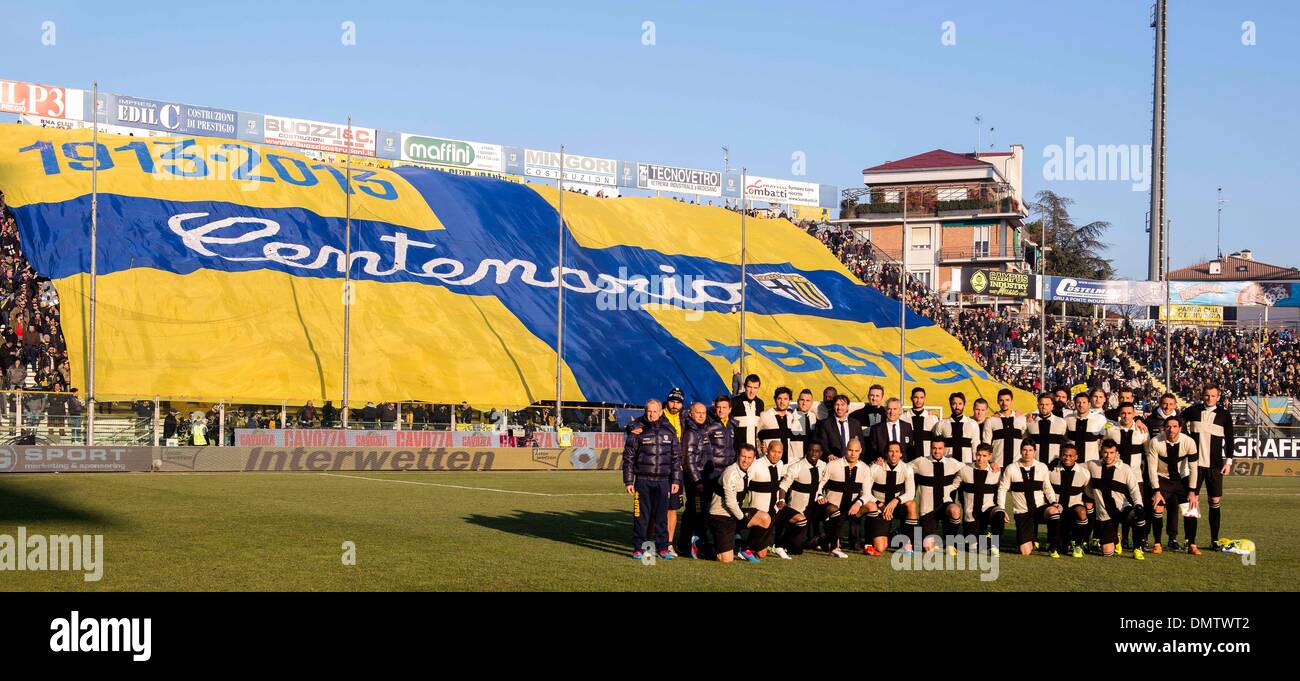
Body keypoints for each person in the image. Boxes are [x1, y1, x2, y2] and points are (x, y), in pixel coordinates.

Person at [622, 399, 681, 561]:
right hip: (643, 481)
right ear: (645, 411)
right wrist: (628, 481)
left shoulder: (669, 430)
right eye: (649, 411)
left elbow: (676, 458)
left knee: (662, 517)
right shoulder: (637, 430)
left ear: (661, 412)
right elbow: (628, 458)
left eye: (655, 411)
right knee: (641, 517)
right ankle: (639, 548)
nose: (652, 414)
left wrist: (675, 480)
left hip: (664, 482)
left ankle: (662, 548)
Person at [1180, 385, 1233, 547]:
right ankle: (1191, 541)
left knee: (1214, 500)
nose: (1209, 398)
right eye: (1207, 395)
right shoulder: (1192, 411)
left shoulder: (1224, 415)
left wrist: (1228, 462)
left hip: (1215, 465)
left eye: (1213, 395)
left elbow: (1230, 439)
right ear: (1202, 396)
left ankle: (1214, 540)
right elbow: (1176, 422)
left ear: (1218, 397)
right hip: (1194, 465)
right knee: (1192, 501)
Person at [1145, 416, 1200, 555]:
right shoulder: (1155, 442)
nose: (1171, 429)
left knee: (1191, 509)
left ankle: (1191, 544)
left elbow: (1194, 468)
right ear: (1164, 428)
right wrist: (1156, 490)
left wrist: (1193, 491)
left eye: (1175, 426)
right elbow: (1152, 468)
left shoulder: (1189, 442)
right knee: (1157, 507)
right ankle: (1157, 543)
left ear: (1180, 428)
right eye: (1168, 426)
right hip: (1162, 479)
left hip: (1182, 480)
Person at [998, 441, 1062, 557]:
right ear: (1020, 451)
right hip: (1022, 513)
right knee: (1025, 552)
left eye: (1030, 450)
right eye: (1025, 450)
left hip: (1039, 510)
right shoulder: (1011, 468)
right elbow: (1002, 489)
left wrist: (1053, 502)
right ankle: (1031, 539)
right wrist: (1002, 509)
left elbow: (1047, 488)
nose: (1027, 453)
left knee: (1054, 511)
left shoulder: (1042, 467)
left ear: (1035, 452)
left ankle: (1053, 546)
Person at [708, 444, 767, 564]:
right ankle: (701, 545)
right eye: (743, 456)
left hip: (735, 514)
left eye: (749, 457)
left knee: (764, 518)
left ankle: (746, 549)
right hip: (720, 516)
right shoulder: (730, 473)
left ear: (754, 459)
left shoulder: (749, 469)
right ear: (738, 456)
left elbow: (764, 464)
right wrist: (742, 519)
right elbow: (730, 502)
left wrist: (764, 453)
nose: (746, 460)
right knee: (726, 560)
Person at [1087, 441, 1146, 560]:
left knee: (1139, 515)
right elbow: (1076, 467)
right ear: (1101, 452)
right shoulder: (1092, 465)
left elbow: (1134, 489)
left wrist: (1138, 505)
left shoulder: (1125, 469)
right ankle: (1115, 539)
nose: (1108, 456)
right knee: (1107, 553)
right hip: (1104, 515)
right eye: (1105, 452)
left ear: (1116, 453)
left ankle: (1137, 548)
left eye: (1111, 452)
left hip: (1121, 509)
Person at [695, 396, 737, 557]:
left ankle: (725, 542)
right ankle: (702, 541)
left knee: (727, 509)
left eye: (724, 407)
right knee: (707, 510)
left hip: (728, 477)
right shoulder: (708, 424)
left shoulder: (734, 425)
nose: (721, 410)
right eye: (718, 407)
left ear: (730, 409)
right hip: (712, 476)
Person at [1104, 402, 1149, 550]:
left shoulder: (1142, 431)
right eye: (1123, 413)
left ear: (1134, 414)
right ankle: (1118, 539)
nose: (1126, 416)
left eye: (1129, 413)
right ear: (1119, 414)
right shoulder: (1111, 431)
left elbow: (1148, 455)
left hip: (1136, 477)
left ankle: (1137, 542)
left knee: (1137, 509)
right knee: (1117, 508)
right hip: (1116, 477)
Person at [818, 437, 872, 558]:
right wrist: (820, 496)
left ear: (861, 451)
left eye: (856, 451)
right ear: (845, 449)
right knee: (831, 543)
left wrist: (858, 503)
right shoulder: (832, 465)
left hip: (851, 509)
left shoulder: (865, 468)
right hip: (831, 509)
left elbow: (867, 493)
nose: (853, 454)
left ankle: (865, 541)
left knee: (872, 506)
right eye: (850, 450)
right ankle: (830, 543)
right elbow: (820, 484)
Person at [910, 438, 964, 553]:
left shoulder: (952, 463)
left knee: (955, 510)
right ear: (930, 448)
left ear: (944, 449)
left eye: (940, 448)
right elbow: (903, 468)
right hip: (928, 511)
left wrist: (991, 465)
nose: (937, 451)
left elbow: (969, 468)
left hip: (945, 505)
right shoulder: (920, 462)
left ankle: (950, 543)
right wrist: (881, 463)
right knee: (929, 549)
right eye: (934, 448)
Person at [865, 441, 918, 555]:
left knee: (912, 505)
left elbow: (910, 493)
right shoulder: (875, 468)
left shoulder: (907, 468)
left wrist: (896, 500)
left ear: (901, 454)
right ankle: (894, 534)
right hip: (880, 507)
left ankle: (907, 545)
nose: (894, 454)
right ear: (886, 453)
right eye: (891, 451)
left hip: (896, 506)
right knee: (880, 548)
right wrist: (879, 504)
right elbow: (865, 492)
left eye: (897, 451)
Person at [777, 441, 826, 555]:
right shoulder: (796, 467)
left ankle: (823, 540)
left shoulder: (823, 466)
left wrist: (821, 495)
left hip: (814, 509)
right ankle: (781, 543)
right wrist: (781, 500)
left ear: (821, 453)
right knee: (796, 550)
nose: (814, 453)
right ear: (807, 451)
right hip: (797, 511)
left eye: (817, 451)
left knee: (832, 512)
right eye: (811, 450)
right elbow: (783, 486)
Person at [958, 444, 1005, 554]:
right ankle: (984, 540)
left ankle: (994, 544)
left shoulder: (996, 472)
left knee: (999, 514)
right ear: (975, 455)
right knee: (974, 549)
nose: (981, 458)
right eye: (979, 455)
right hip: (971, 514)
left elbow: (1002, 490)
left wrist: (1002, 508)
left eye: (984, 456)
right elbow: (955, 485)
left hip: (988, 511)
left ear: (990, 457)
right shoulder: (965, 469)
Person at [745, 441, 787, 559]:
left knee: (762, 554)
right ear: (767, 450)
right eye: (773, 451)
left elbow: (778, 485)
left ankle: (759, 546)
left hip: (772, 510)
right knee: (755, 548)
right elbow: (745, 483)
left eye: (779, 452)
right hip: (757, 511)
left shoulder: (780, 464)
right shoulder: (756, 465)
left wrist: (780, 500)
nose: (776, 455)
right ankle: (746, 548)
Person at [1049, 444, 1092, 558]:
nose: (1067, 458)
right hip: (1056, 508)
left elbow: (1088, 494)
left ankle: (1078, 544)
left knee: (1082, 512)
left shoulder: (1084, 473)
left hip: (1074, 506)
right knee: (1062, 549)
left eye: (1070, 456)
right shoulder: (1051, 470)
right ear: (1060, 455)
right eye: (1064, 455)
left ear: (1076, 457)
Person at [757, 387, 806, 464]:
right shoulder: (764, 416)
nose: (782, 402)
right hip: (768, 462)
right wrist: (760, 449)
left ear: (790, 401)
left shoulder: (793, 417)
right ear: (775, 399)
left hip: (788, 464)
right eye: (779, 398)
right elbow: (754, 436)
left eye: (785, 399)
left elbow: (798, 443)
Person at [983, 388, 1026, 471]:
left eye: (1007, 400)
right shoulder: (991, 420)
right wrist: (991, 462)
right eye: (1001, 400)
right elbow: (986, 444)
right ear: (997, 401)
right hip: (997, 466)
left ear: (1012, 401)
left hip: (1018, 467)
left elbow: (1026, 444)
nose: (1004, 403)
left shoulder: (1021, 419)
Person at [934, 391, 980, 464]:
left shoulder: (973, 424)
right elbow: (936, 445)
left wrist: (975, 461)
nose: (957, 407)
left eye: (960, 404)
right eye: (954, 404)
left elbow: (975, 444)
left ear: (964, 404)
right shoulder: (941, 424)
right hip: (947, 465)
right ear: (950, 405)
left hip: (966, 464)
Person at [813, 395, 863, 461]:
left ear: (847, 407)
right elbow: (823, 444)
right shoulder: (825, 424)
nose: (839, 408)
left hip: (852, 462)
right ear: (833, 406)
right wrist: (829, 455)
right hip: (833, 462)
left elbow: (861, 444)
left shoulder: (856, 424)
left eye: (842, 405)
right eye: (837, 404)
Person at [1025, 392, 1068, 466]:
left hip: (1055, 467)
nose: (1044, 407)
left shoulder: (1062, 422)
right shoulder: (1029, 422)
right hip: (1035, 467)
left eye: (1047, 404)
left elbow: (1066, 443)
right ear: (1038, 406)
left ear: (1052, 406)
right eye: (1041, 404)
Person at [1064, 392, 1107, 464]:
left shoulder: (1100, 419)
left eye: (1084, 402)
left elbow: (1104, 437)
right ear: (1074, 404)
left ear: (1089, 404)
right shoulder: (1068, 418)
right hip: (1072, 463)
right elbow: (1065, 436)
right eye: (1078, 402)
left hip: (1091, 462)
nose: (1081, 405)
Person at [867, 398, 911, 463]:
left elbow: (909, 448)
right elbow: (872, 450)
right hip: (883, 465)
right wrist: (877, 459)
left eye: (895, 409)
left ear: (900, 411)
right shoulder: (876, 429)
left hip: (903, 465)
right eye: (889, 409)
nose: (891, 412)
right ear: (885, 410)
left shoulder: (907, 426)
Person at [730, 374, 764, 451]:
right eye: (749, 387)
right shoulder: (734, 401)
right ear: (745, 386)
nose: (752, 391)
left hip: (754, 452)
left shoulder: (760, 403)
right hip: (737, 451)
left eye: (755, 388)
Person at [906, 386, 938, 462]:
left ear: (924, 399)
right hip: (908, 460)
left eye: (921, 397)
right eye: (916, 397)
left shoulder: (932, 418)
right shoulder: (903, 417)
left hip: (928, 460)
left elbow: (937, 440)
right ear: (911, 398)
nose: (918, 400)